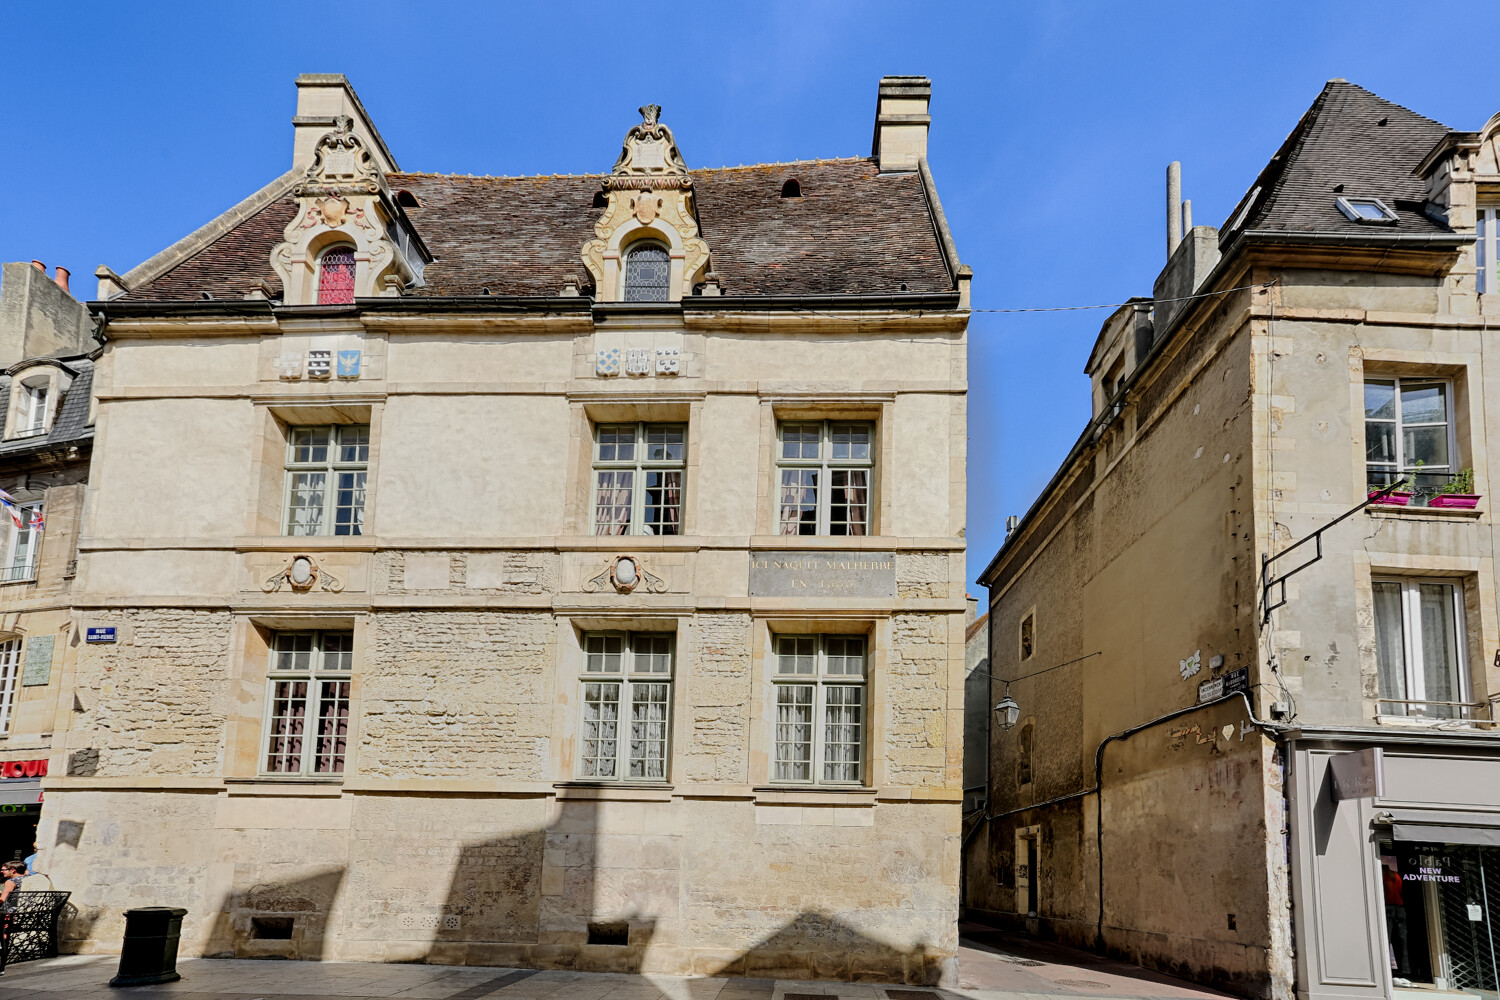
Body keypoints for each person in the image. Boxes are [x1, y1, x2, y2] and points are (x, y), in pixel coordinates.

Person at [0, 859, 26, 974]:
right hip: (24, 913)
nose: (1, 871)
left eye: (4, 869)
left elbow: (2, 900)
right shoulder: (28, 879)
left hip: (9, 915)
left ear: (13, 870)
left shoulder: (11, 882)